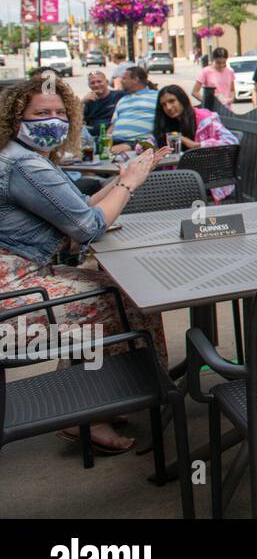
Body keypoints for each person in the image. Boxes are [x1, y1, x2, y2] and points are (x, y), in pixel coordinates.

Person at [0, 76, 171, 454]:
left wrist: (128, 177)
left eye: (60, 112)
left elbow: (80, 210)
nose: (54, 120)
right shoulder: (25, 165)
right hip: (14, 295)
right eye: (41, 113)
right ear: (16, 119)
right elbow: (88, 227)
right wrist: (129, 185)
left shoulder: (22, 157)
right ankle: (111, 404)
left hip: (24, 276)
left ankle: (105, 397)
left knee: (120, 292)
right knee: (131, 298)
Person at [151, 85, 239, 202]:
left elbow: (231, 141)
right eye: (163, 105)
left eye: (172, 101)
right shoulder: (166, 124)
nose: (168, 107)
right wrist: (145, 146)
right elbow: (150, 141)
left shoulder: (205, 119)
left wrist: (196, 145)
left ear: (182, 99)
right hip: (175, 180)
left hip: (209, 180)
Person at [108, 67, 159, 152]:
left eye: (124, 78)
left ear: (135, 79)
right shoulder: (122, 100)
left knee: (113, 152)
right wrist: (104, 140)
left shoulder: (157, 96)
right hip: (114, 141)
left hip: (137, 142)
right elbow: (114, 124)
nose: (121, 81)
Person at [81, 71, 124, 140]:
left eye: (99, 81)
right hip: (91, 138)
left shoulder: (119, 96)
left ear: (107, 82)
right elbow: (77, 121)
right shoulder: (88, 101)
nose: (96, 85)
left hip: (113, 137)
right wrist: (82, 101)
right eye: (92, 83)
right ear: (89, 86)